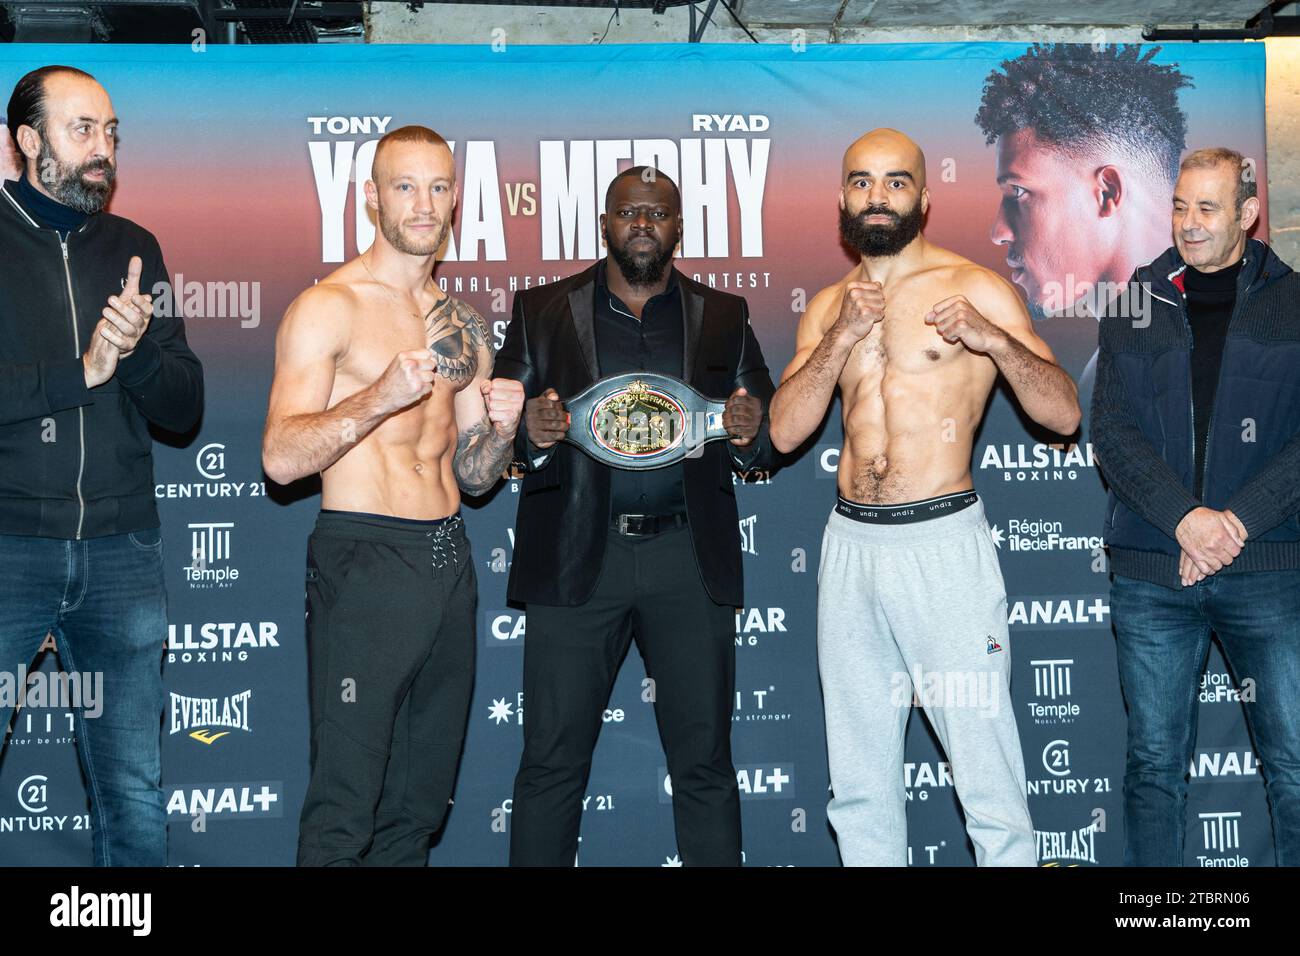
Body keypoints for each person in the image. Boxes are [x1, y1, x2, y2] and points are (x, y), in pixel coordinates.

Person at [769, 128, 1080, 867]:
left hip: (941, 545)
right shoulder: (828, 307)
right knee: (859, 780)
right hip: (852, 548)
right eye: (863, 182)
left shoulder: (973, 287)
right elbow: (783, 434)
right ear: (842, 197)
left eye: (896, 181)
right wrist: (840, 340)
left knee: (984, 765)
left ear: (924, 196)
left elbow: (1063, 413)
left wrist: (992, 340)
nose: (879, 196)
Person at [496, 165, 775, 866]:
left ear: (678, 227)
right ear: (605, 225)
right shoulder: (539, 310)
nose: (642, 224)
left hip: (689, 559)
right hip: (574, 559)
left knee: (705, 763)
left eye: (657, 213)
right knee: (551, 764)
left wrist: (747, 429)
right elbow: (495, 437)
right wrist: (529, 430)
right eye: (628, 213)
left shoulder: (726, 314)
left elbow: (769, 434)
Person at [262, 125, 523, 866]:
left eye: (439, 187)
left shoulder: (462, 322)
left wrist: (501, 432)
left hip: (448, 560)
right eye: (405, 186)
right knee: (347, 806)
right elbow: (280, 459)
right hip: (365, 559)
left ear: (456, 201)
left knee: (416, 807)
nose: (424, 203)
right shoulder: (330, 306)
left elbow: (476, 478)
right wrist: (380, 397)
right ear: (371, 198)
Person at [0, 65, 204, 866]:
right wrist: (80, 370)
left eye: (112, 132)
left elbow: (183, 409)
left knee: (132, 788)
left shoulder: (135, 248)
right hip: (9, 547)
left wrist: (134, 356)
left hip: (122, 552)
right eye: (83, 129)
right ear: (26, 141)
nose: (103, 148)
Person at [1091, 147, 1300, 867]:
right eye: (1180, 206)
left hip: (1268, 567)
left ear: (1247, 213)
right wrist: (1186, 519)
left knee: (1295, 765)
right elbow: (1110, 432)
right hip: (1153, 570)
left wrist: (1233, 525)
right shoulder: (1135, 301)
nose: (1190, 223)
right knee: (1153, 767)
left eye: (1208, 208)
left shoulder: (1294, 302)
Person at [975, 43, 1192, 414]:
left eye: (1019, 192)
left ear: (1107, 191)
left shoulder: (1171, 351)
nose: (998, 231)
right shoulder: (1128, 352)